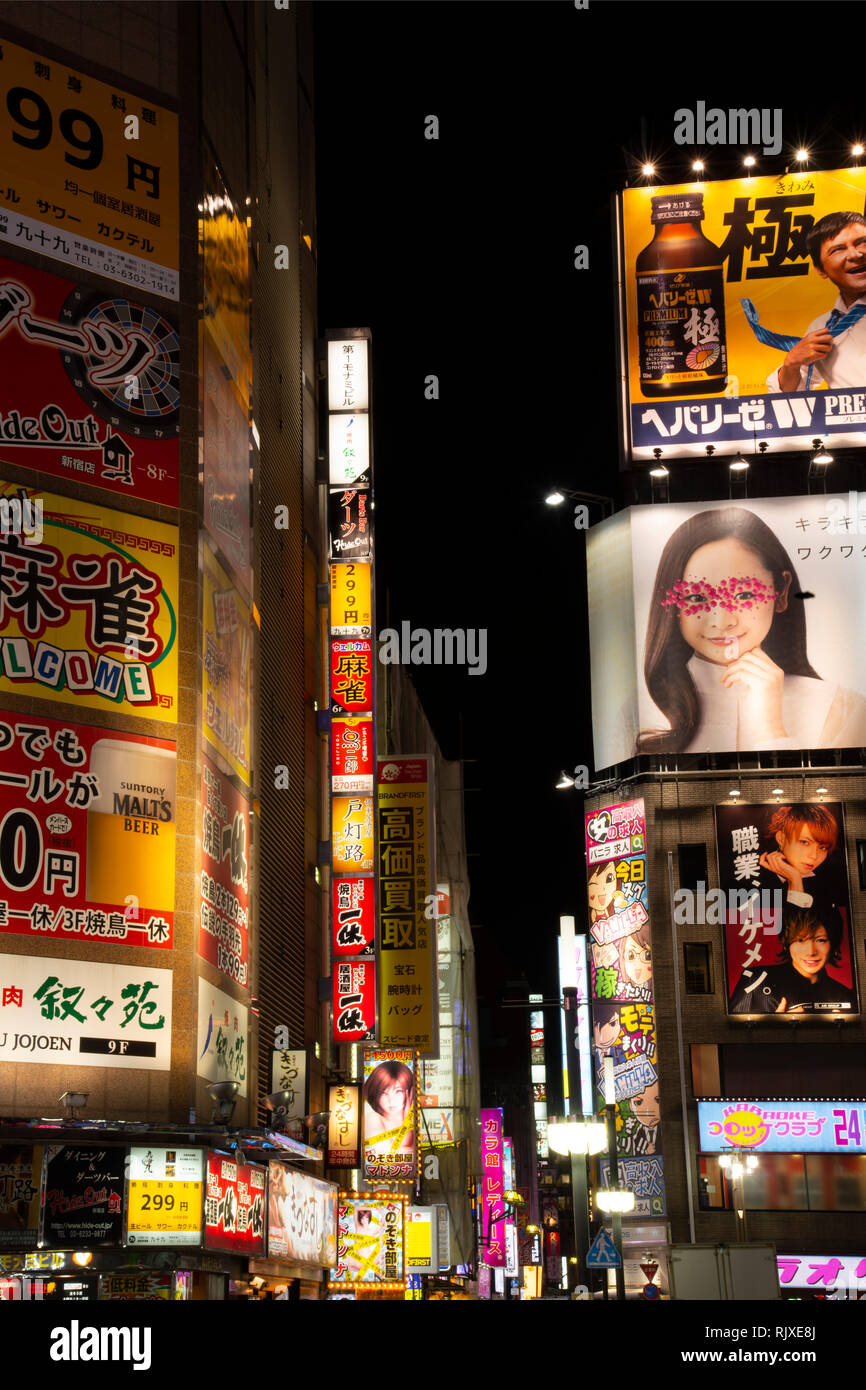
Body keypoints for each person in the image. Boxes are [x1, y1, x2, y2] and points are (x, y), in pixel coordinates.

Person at [637, 506, 866, 754]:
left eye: (744, 594)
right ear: (671, 605)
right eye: (696, 598)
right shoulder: (639, 717)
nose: (721, 620)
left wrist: (772, 731)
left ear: (781, 591)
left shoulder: (841, 709)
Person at [765, 211, 866, 393]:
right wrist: (792, 362)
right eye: (838, 250)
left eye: (862, 242)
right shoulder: (823, 328)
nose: (856, 254)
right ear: (821, 270)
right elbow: (789, 393)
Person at [729, 904, 856, 1014]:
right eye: (800, 940)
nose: (811, 952)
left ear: (833, 944)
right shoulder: (755, 980)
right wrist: (776, 1030)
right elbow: (731, 1035)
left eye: (821, 940)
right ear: (786, 943)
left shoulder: (845, 995)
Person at [363, 1059, 414, 1143]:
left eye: (398, 1091)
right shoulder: (373, 1119)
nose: (391, 1100)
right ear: (375, 1094)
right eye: (383, 1093)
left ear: (409, 1091)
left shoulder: (414, 1119)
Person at [587, 860, 628, 924]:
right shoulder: (593, 913)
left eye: (610, 878)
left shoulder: (610, 910)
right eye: (593, 883)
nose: (603, 888)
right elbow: (593, 924)